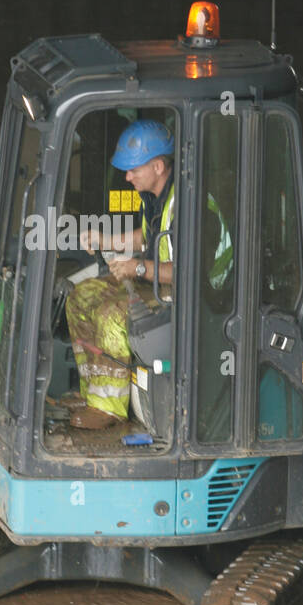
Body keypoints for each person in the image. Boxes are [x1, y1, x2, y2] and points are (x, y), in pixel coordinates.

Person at [64, 120, 232, 430]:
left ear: (157, 166)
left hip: (198, 302)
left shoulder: (193, 207)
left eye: (133, 170)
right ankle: (95, 395)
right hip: (160, 285)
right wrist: (107, 240)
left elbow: (190, 274)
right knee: (79, 298)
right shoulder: (158, 196)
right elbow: (148, 236)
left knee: (111, 315)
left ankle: (109, 410)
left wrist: (137, 268)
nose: (127, 177)